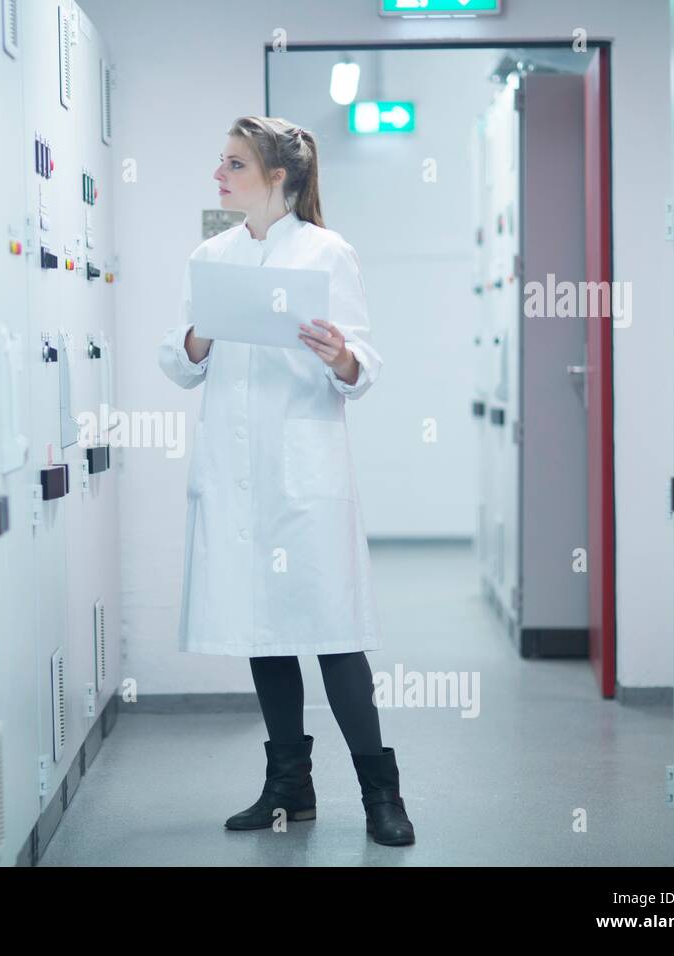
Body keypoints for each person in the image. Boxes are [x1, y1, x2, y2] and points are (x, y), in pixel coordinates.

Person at [157, 115, 415, 846]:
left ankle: (380, 794)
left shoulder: (328, 253)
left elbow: (364, 366)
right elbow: (177, 363)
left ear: (278, 176)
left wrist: (339, 357)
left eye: (233, 163)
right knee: (262, 630)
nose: (219, 174)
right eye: (221, 161)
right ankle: (287, 789)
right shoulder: (211, 255)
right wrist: (199, 334)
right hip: (236, 475)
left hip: (306, 473)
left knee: (335, 633)